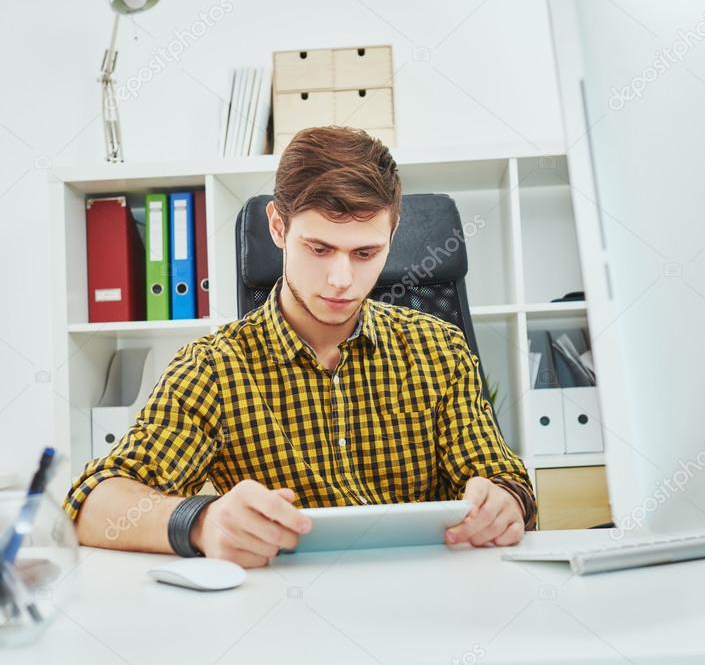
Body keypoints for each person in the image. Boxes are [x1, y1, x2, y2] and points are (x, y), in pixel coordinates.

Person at [63, 126, 537, 568]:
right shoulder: (213, 369)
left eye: (365, 253)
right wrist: (203, 523)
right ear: (278, 228)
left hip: (428, 606)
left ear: (392, 236)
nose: (341, 280)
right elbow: (90, 504)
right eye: (319, 248)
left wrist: (505, 501)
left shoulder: (439, 349)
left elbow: (503, 478)